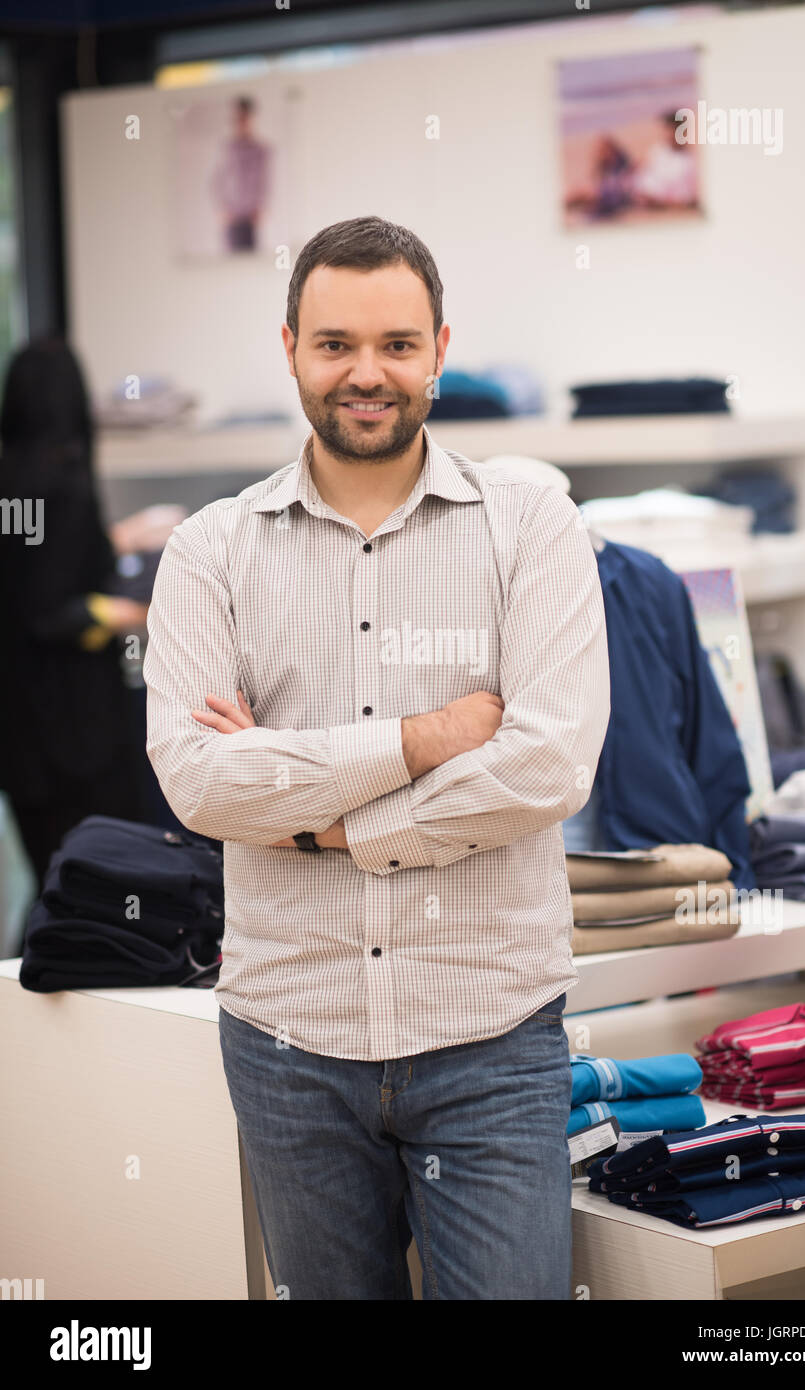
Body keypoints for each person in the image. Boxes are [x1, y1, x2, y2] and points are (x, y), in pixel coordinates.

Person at [143, 216, 611, 1300]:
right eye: (336, 343)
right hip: (288, 1044)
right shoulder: (211, 551)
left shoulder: (530, 524)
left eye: (398, 344)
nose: (367, 372)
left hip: (491, 1039)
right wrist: (426, 738)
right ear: (291, 348)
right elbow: (201, 781)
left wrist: (332, 818)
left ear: (442, 349)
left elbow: (547, 765)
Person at [0, 337, 151, 885]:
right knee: (107, 884)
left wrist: (115, 539)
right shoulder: (64, 484)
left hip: (19, 731)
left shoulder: (12, 482)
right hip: (75, 731)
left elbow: (31, 574)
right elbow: (57, 613)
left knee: (53, 883)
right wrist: (147, 614)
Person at [209, 95, 272, 253]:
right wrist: (221, 208)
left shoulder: (260, 150)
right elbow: (217, 180)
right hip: (232, 216)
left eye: (244, 117)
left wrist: (260, 206)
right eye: (238, 118)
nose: (241, 121)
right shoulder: (225, 149)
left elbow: (263, 181)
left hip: (251, 216)